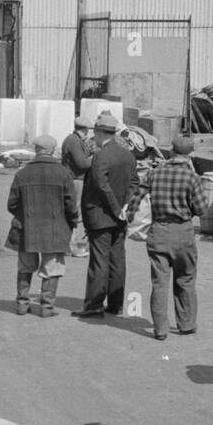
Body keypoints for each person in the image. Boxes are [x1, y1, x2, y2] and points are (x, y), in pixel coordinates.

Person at [127, 135, 208, 339]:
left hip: (159, 231)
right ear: (189, 154)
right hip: (183, 233)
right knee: (186, 279)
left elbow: (137, 195)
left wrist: (129, 216)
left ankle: (160, 329)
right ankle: (186, 323)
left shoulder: (155, 173)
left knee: (159, 283)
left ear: (172, 151)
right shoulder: (192, 178)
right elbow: (201, 209)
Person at [7, 135, 78, 316]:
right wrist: (72, 221)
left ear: (36, 150)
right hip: (54, 229)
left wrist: (26, 215)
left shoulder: (22, 174)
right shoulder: (63, 173)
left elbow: (12, 204)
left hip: (26, 228)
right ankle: (46, 307)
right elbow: (71, 205)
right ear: (53, 151)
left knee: (25, 266)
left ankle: (22, 304)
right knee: (52, 268)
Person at [75, 112, 135, 318]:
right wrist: (126, 205)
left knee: (99, 261)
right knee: (117, 259)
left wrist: (116, 208)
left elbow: (102, 184)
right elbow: (134, 182)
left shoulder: (101, 155)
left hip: (101, 216)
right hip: (120, 218)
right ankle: (115, 305)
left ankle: (93, 306)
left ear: (100, 133)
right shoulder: (127, 154)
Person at [61, 116, 96, 258]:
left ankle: (69, 243)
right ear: (85, 130)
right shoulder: (73, 141)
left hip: (75, 179)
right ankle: (71, 244)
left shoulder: (73, 140)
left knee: (73, 211)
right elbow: (82, 164)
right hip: (75, 180)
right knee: (74, 212)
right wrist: (96, 157)